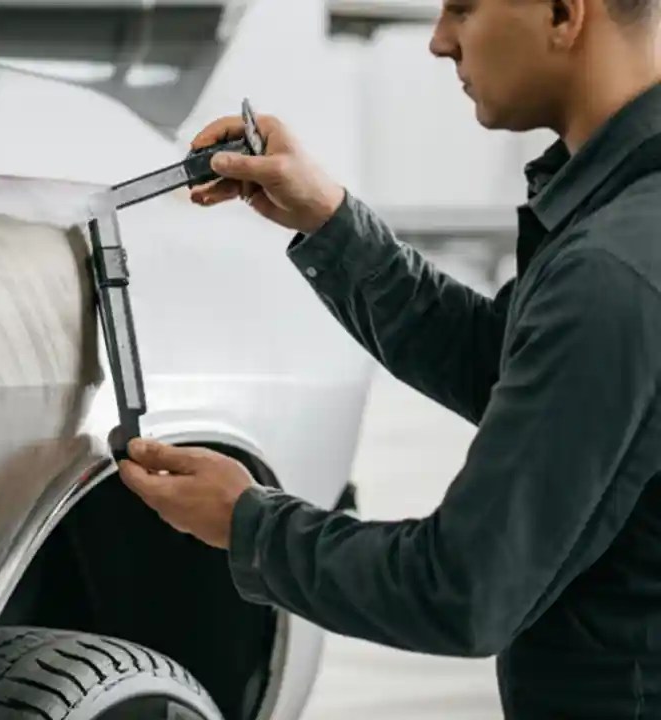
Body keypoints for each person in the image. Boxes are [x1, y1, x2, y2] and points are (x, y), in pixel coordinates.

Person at [116, 0, 661, 716]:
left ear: (562, 13)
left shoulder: (614, 270)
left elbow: (464, 589)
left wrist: (246, 521)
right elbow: (514, 374)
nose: (439, 42)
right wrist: (330, 219)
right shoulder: (629, 221)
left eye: (463, 8)